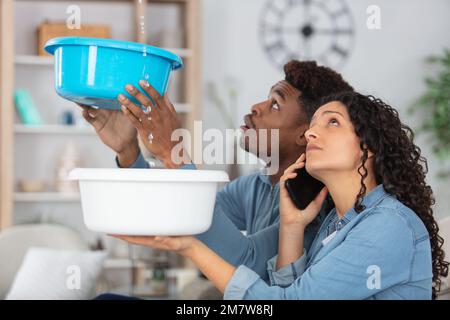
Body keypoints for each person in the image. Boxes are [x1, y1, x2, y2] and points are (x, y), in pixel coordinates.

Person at [115, 91, 449, 299]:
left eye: (332, 123)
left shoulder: (387, 226)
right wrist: (292, 226)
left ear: (370, 148)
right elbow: (287, 291)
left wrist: (188, 247)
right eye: (313, 124)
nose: (312, 132)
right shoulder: (334, 220)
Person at [80, 60, 353, 281]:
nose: (255, 108)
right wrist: (129, 152)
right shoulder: (256, 185)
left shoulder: (313, 206)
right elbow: (177, 214)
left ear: (307, 135)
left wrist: (173, 152)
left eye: (275, 104)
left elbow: (245, 262)